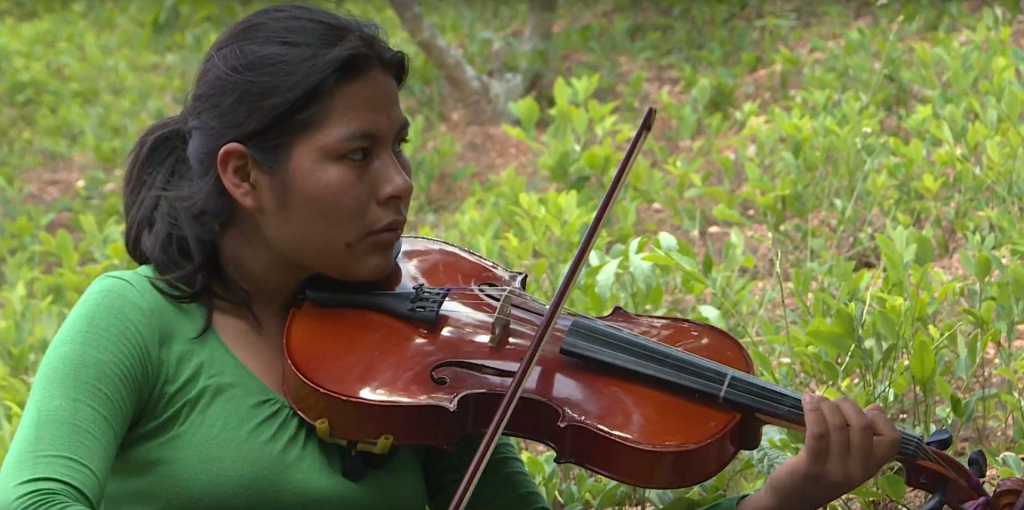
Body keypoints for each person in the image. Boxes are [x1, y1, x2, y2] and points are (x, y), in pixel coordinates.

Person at [0, 4, 904, 510]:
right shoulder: (137, 321)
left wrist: (788, 497)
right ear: (243, 174)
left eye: (399, 148)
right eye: (356, 156)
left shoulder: (433, 379)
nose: (397, 184)